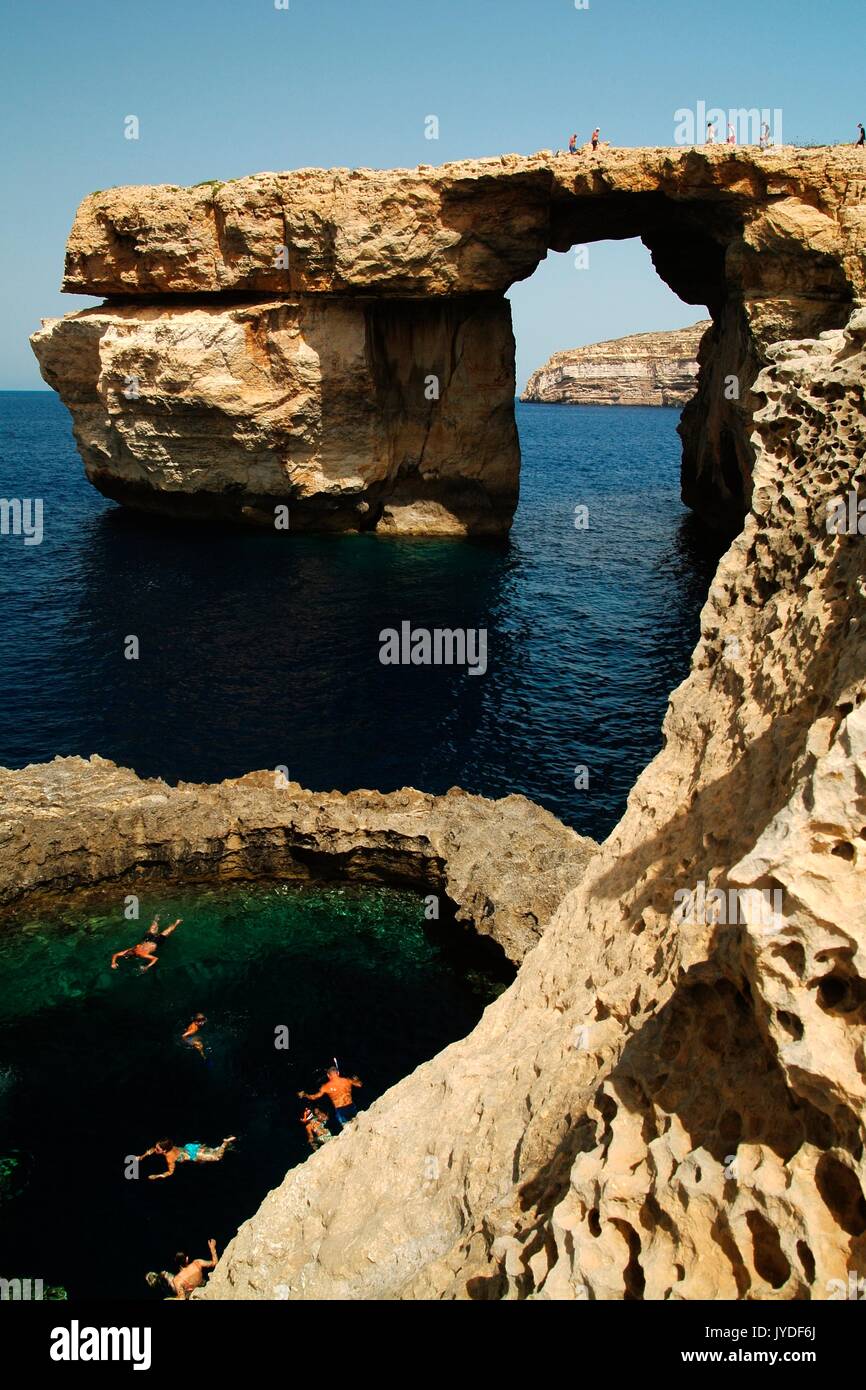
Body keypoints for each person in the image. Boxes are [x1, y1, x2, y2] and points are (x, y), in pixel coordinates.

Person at [146, 1240, 218, 1299]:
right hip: (207, 1286)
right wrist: (212, 1248)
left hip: (195, 1293)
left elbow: (182, 1298)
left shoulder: (177, 1280)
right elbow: (215, 1263)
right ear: (187, 1259)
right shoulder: (197, 1262)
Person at [137, 1136, 236, 1179]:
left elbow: (170, 1172)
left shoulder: (169, 1158)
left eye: (158, 1149)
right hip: (189, 1147)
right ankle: (222, 1146)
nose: (156, 1149)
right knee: (212, 1152)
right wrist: (141, 1157)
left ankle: (225, 1143)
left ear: (164, 1151)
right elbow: (152, 1150)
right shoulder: (167, 1147)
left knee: (217, 1157)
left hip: (194, 1155)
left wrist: (157, 1176)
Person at [111, 915, 182, 972]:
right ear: (134, 954)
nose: (127, 952)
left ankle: (157, 918)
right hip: (156, 942)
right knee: (167, 931)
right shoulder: (142, 954)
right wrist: (147, 966)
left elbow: (115, 954)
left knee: (153, 928)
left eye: (128, 952)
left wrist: (113, 962)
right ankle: (177, 922)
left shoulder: (130, 951)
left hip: (146, 940)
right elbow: (155, 958)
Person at [298, 1066, 363, 1128]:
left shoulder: (326, 1087)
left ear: (328, 1075)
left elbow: (315, 1097)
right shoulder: (346, 1080)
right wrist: (357, 1079)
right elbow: (359, 1085)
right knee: (356, 1121)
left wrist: (305, 1095)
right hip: (351, 1107)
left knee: (343, 1125)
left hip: (341, 1111)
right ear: (338, 1073)